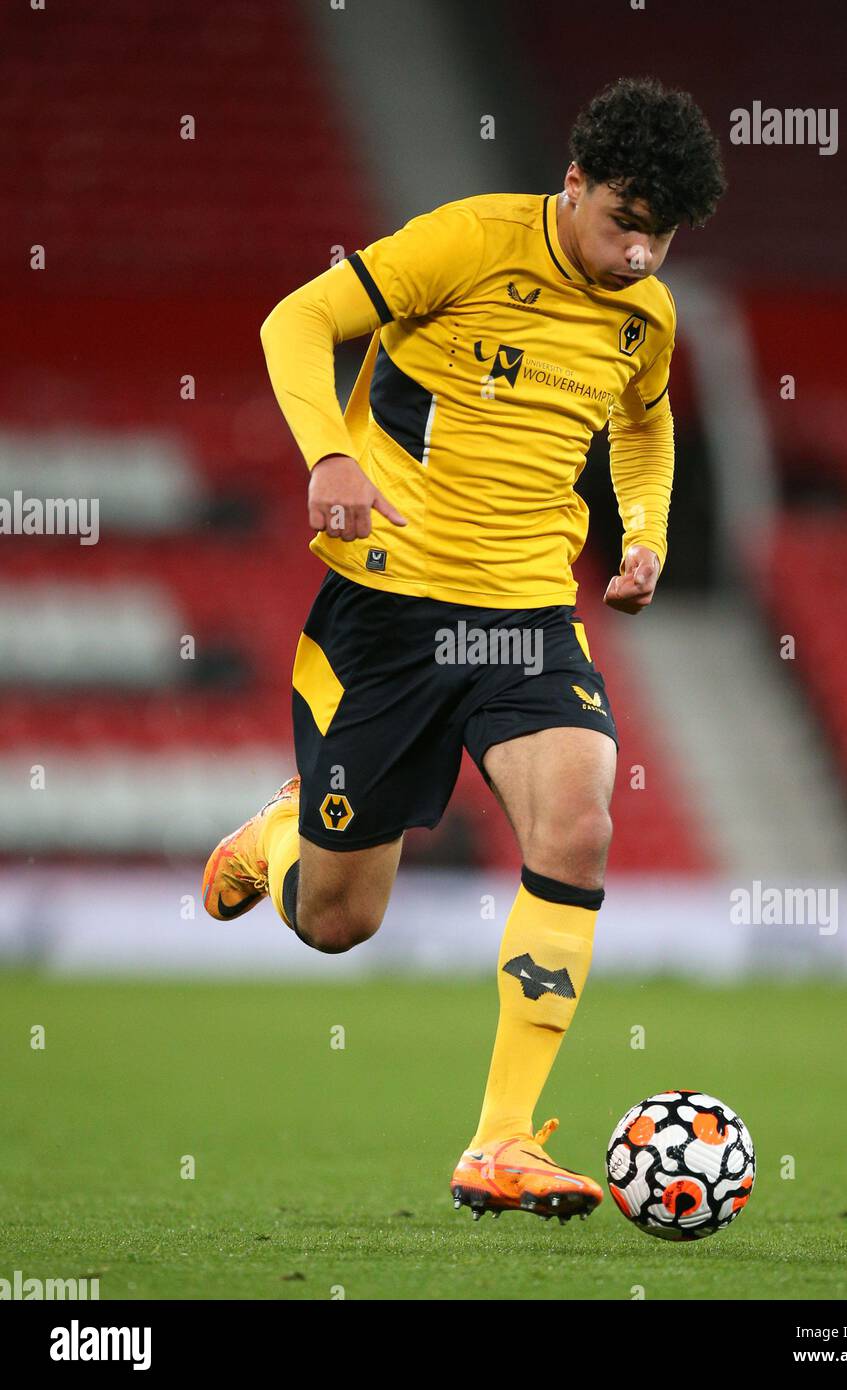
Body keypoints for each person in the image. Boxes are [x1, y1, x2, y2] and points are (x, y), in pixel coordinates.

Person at [202, 75, 726, 1221]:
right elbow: (295, 319)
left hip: (531, 618)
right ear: (574, 181)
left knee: (581, 823)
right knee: (342, 921)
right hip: (390, 612)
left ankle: (499, 1140)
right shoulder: (469, 240)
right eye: (622, 220)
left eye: (661, 235)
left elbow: (645, 421)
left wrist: (645, 532)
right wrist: (325, 458)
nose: (640, 252)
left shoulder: (646, 315)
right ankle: (286, 834)